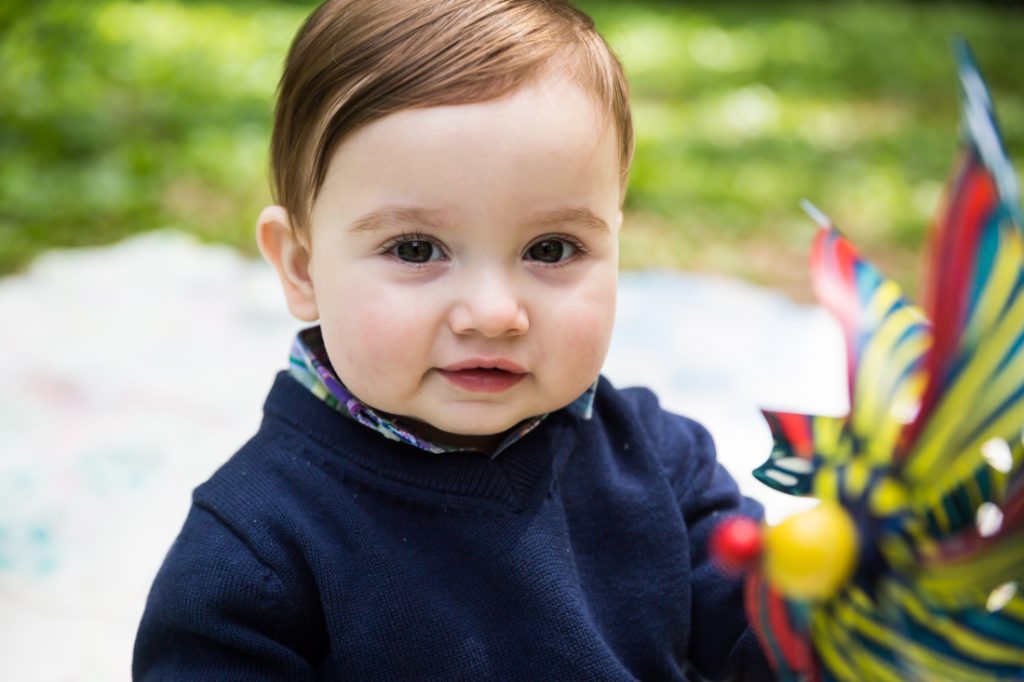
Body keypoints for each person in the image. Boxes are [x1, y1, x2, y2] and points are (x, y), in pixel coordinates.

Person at [133, 1, 771, 679]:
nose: (493, 314)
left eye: (551, 248)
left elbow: (782, 647)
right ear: (300, 266)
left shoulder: (662, 463)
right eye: (415, 248)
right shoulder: (256, 551)